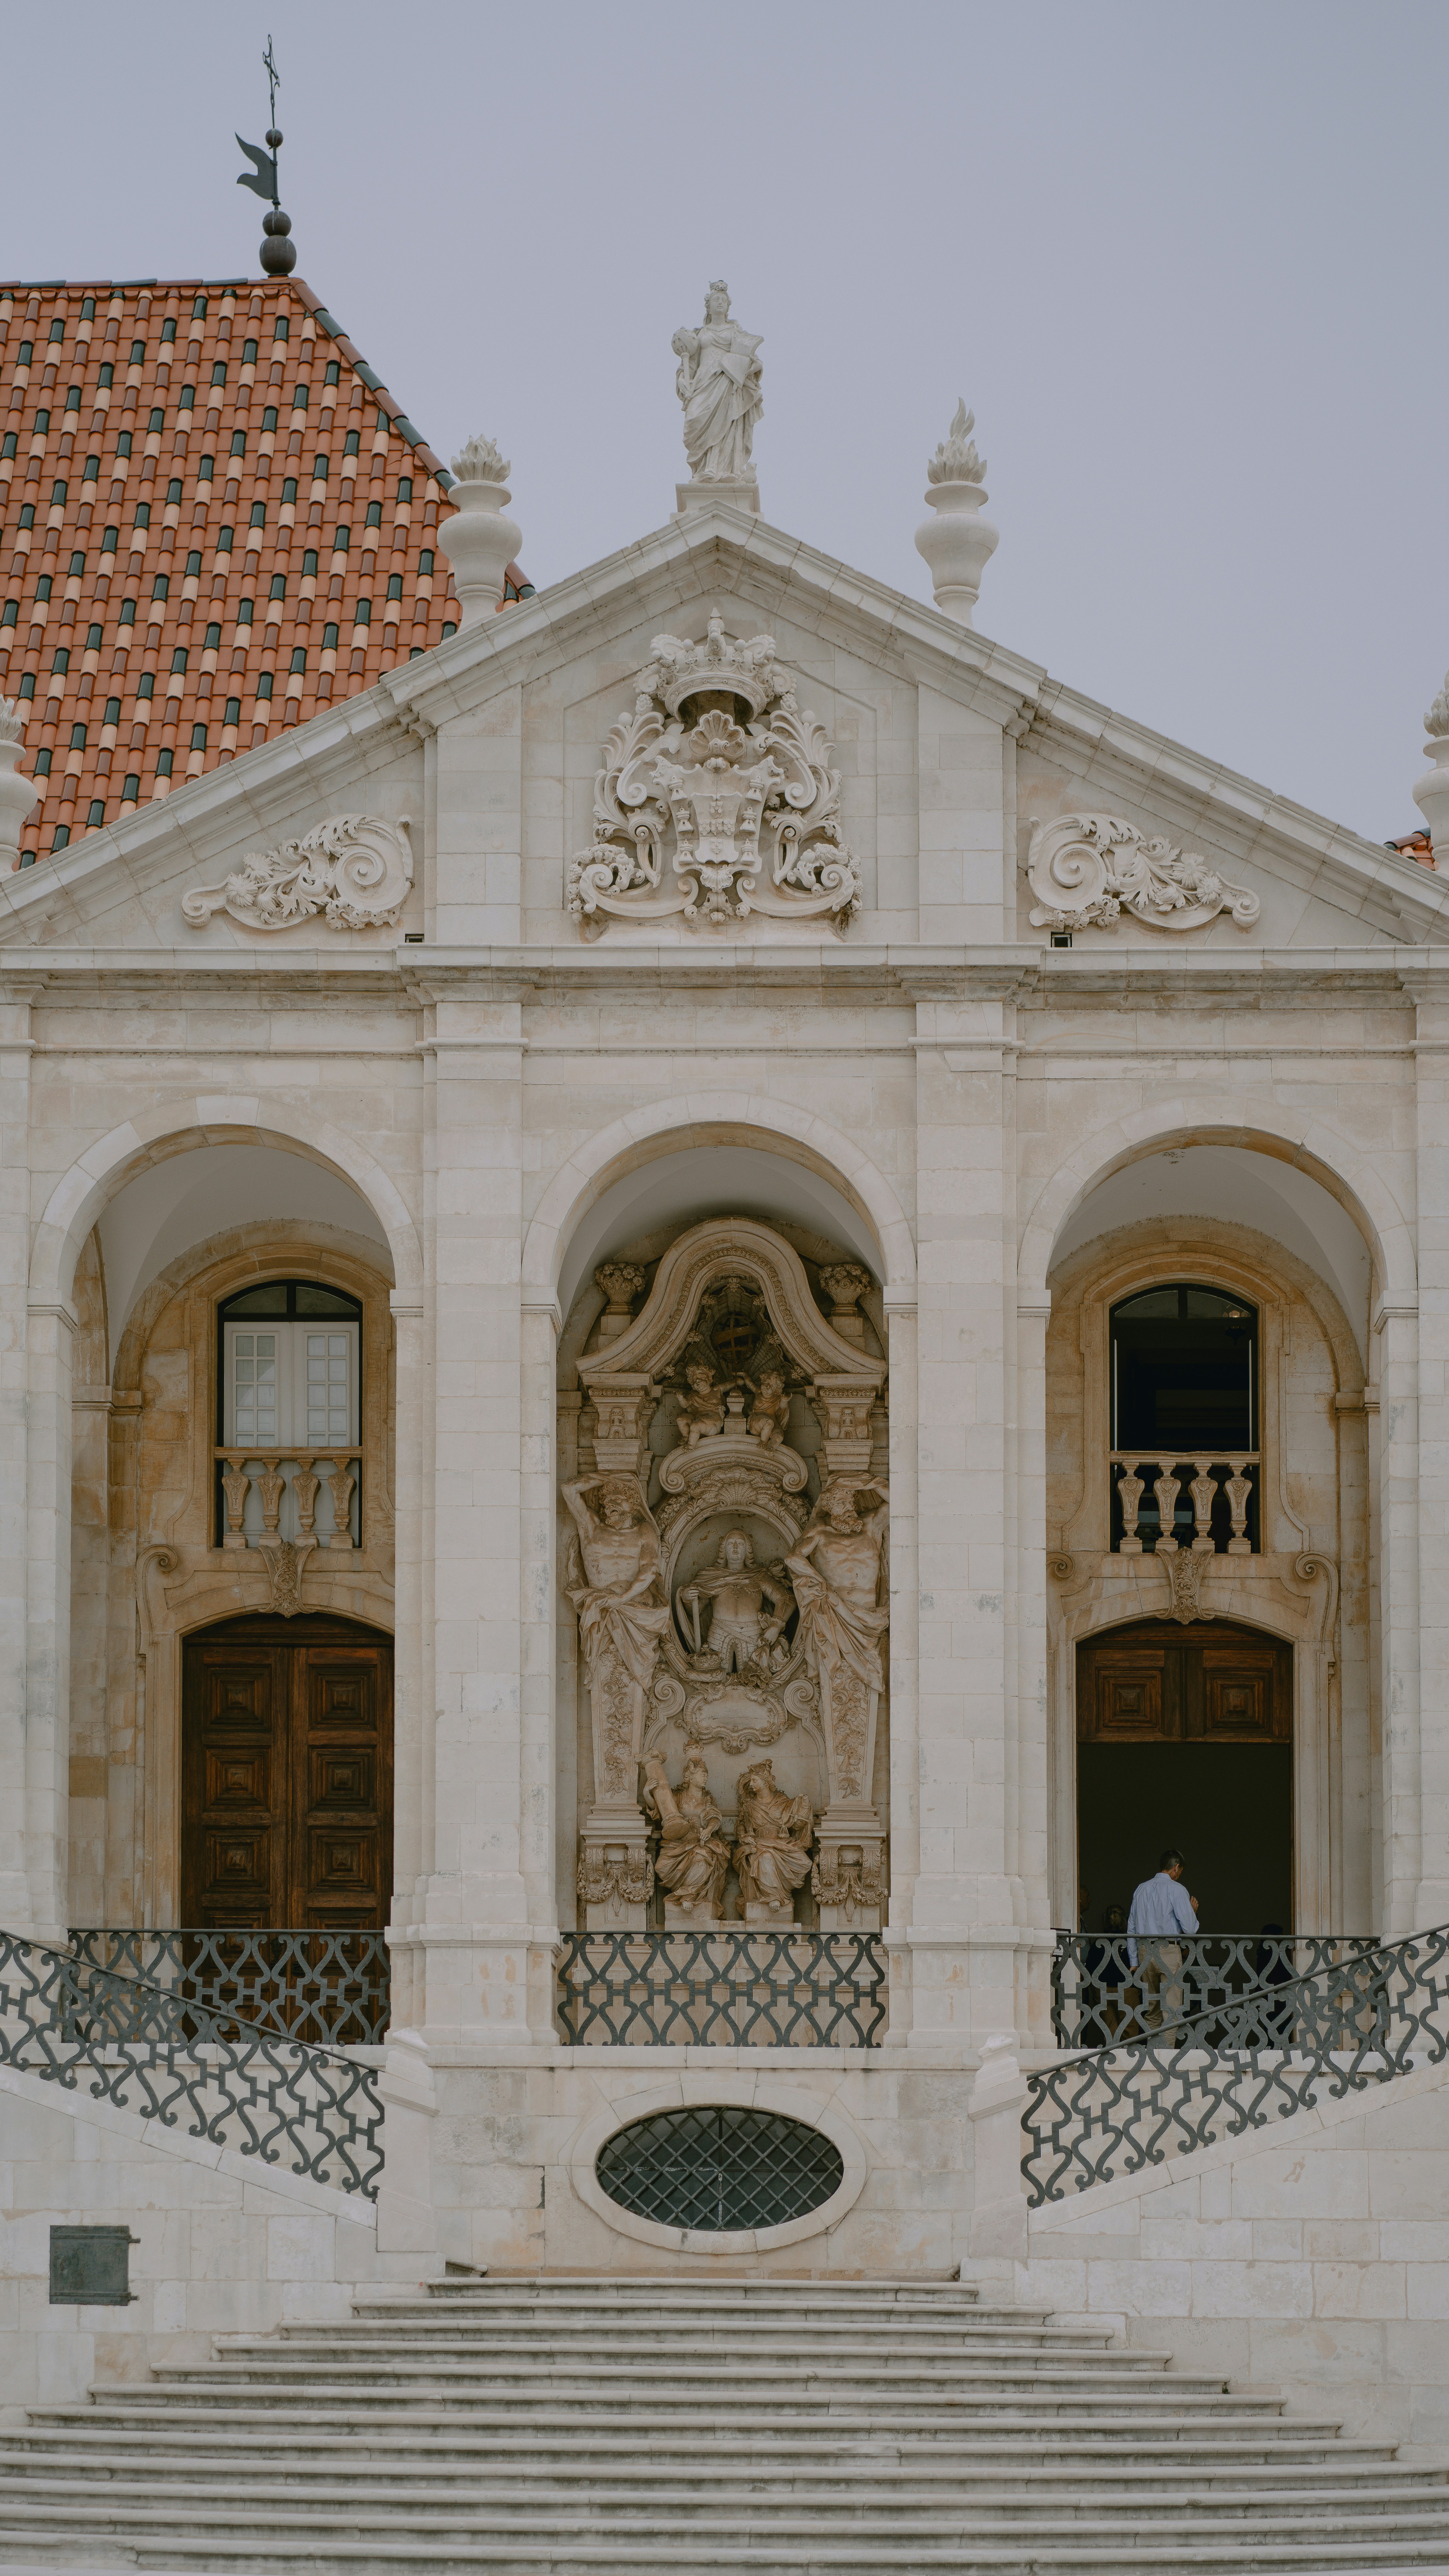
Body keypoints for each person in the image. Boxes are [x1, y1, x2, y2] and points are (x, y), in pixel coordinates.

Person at [1126, 1848, 1199, 2034]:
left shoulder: (1141, 1889)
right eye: (1180, 1872)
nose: (1179, 1875)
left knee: (1152, 2010)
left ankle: (1153, 2056)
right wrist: (1192, 1913)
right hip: (1168, 1951)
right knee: (1172, 2011)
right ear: (1176, 1868)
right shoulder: (1177, 1889)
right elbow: (1190, 1929)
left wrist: (1134, 1961)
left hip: (1144, 1953)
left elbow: (1132, 1928)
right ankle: (1166, 2060)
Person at [1084, 1902, 1130, 2042]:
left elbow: (1090, 1968)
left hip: (1103, 1990)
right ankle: (1129, 2060)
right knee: (1130, 2030)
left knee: (1111, 2032)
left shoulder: (1099, 1942)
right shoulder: (1131, 1943)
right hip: (1127, 1989)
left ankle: (1113, 2060)